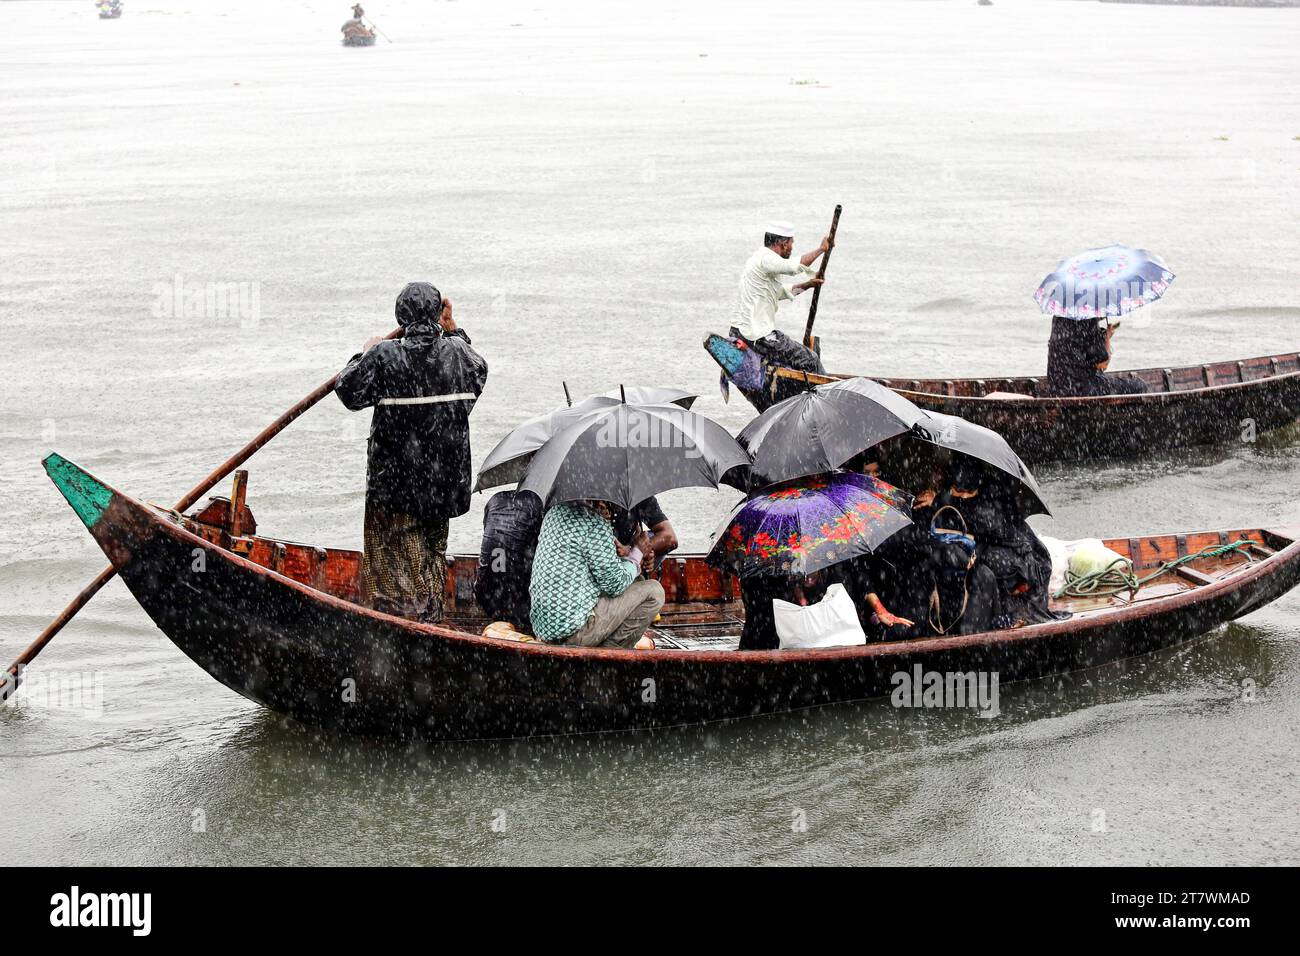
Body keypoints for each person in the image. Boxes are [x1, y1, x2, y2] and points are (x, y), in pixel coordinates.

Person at [336, 282, 488, 622]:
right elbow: (477, 369)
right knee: (433, 555)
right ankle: (429, 619)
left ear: (400, 317)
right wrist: (453, 329)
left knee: (394, 569)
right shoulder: (459, 354)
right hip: (444, 486)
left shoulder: (384, 356)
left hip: (396, 488)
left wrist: (366, 352)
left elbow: (348, 391)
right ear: (437, 316)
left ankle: (408, 632)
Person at [932, 460, 1058, 625]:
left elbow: (997, 534)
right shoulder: (960, 499)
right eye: (957, 491)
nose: (962, 496)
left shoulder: (990, 507)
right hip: (1000, 549)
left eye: (966, 492)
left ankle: (1007, 610)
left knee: (987, 563)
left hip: (1023, 556)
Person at [529, 500, 664, 648]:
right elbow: (616, 584)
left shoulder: (553, 514)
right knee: (654, 591)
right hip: (574, 633)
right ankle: (610, 654)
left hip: (545, 630)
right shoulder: (594, 524)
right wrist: (637, 553)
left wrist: (625, 554)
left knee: (636, 580)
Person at [729, 221, 831, 374]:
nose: (792, 248)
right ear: (784, 244)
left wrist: (808, 284)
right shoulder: (765, 258)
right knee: (811, 360)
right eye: (791, 243)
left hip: (741, 332)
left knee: (800, 360)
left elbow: (778, 292)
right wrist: (821, 249)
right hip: (756, 335)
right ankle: (823, 391)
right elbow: (791, 267)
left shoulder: (760, 261)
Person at [473, 489, 543, 631]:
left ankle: (502, 614)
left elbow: (489, 534)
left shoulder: (495, 499)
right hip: (520, 600)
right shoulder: (537, 504)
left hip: (487, 595)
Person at [1043, 316, 1149, 397]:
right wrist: (1107, 337)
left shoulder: (1058, 318)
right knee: (1139, 385)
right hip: (1082, 389)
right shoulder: (1089, 320)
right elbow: (1103, 364)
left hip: (1057, 387)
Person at [609, 496, 678, 574]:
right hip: (604, 561)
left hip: (630, 560)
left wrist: (638, 552)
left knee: (649, 537)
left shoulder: (636, 494)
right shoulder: (597, 501)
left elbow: (670, 538)